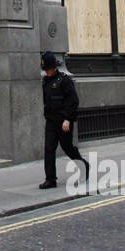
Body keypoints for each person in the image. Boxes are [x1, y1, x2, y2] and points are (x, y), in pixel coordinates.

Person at [39, 51, 89, 191]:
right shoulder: (46, 81)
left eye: (48, 69)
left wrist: (68, 119)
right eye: (45, 69)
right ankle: (50, 179)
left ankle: (83, 166)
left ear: (54, 67)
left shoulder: (65, 80)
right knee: (49, 149)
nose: (47, 72)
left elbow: (73, 102)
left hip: (63, 122)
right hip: (51, 121)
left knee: (68, 148)